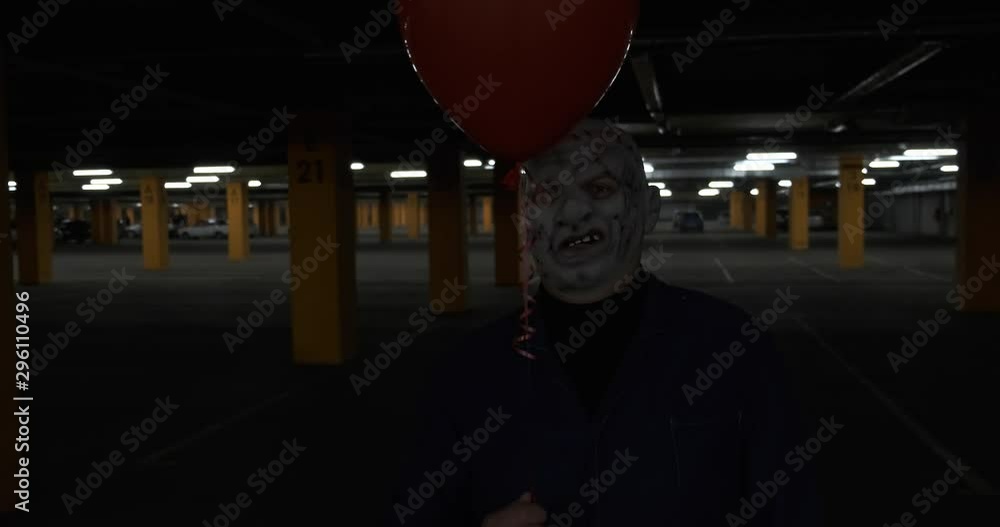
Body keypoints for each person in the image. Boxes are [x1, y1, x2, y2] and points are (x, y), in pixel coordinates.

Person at [387, 119, 819, 526]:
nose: (572, 211)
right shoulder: (466, 374)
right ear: (523, 221)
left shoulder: (732, 348)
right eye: (546, 194)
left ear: (649, 209)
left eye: (599, 188)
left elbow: (790, 509)